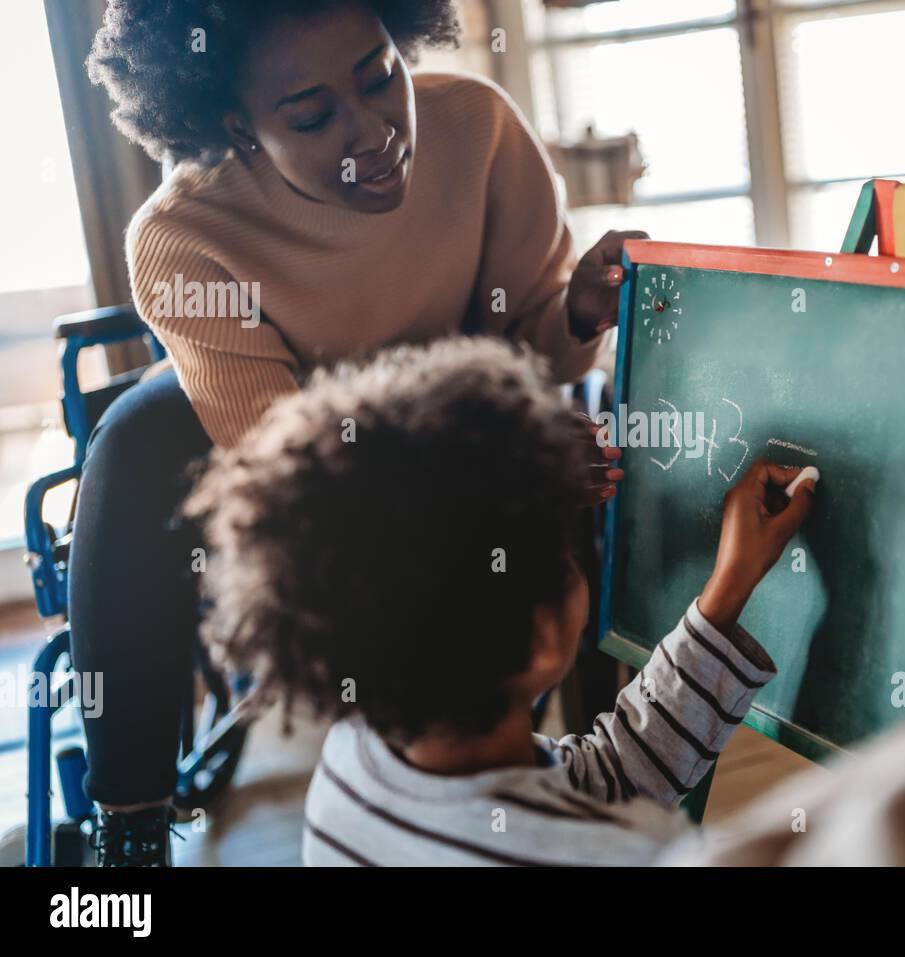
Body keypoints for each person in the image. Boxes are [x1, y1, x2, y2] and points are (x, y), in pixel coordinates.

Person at [74, 0, 635, 864]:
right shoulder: (180, 237)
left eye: (380, 76)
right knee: (132, 437)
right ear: (237, 125)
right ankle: (132, 822)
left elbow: (536, 343)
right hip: (317, 439)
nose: (374, 132)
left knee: (573, 430)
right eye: (312, 114)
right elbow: (290, 463)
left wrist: (579, 310)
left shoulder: (479, 129)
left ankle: (597, 762)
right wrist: (498, 458)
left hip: (463, 399)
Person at [184, 338, 817, 865]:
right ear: (544, 637)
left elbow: (603, 782)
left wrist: (725, 592)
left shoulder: (359, 758)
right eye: (561, 547)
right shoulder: (632, 855)